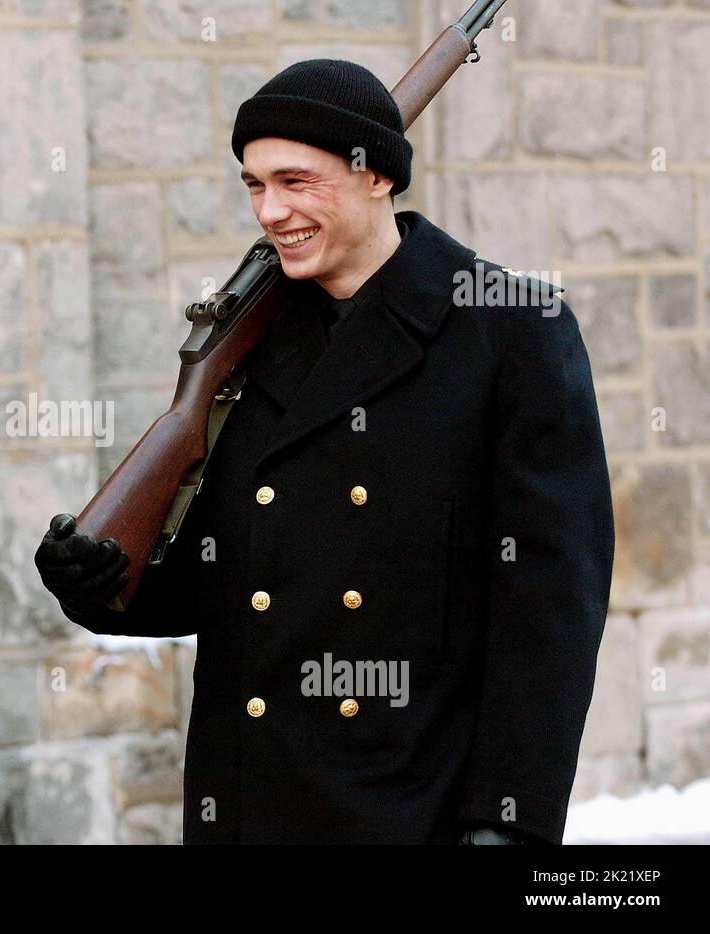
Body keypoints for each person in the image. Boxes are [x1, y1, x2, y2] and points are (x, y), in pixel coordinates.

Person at [36, 60, 614, 845]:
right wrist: (100, 581)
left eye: (296, 181)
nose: (271, 212)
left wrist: (509, 818)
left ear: (374, 174)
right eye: (253, 184)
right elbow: (231, 578)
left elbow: (550, 608)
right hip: (247, 806)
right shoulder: (256, 342)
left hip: (409, 810)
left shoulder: (511, 329)